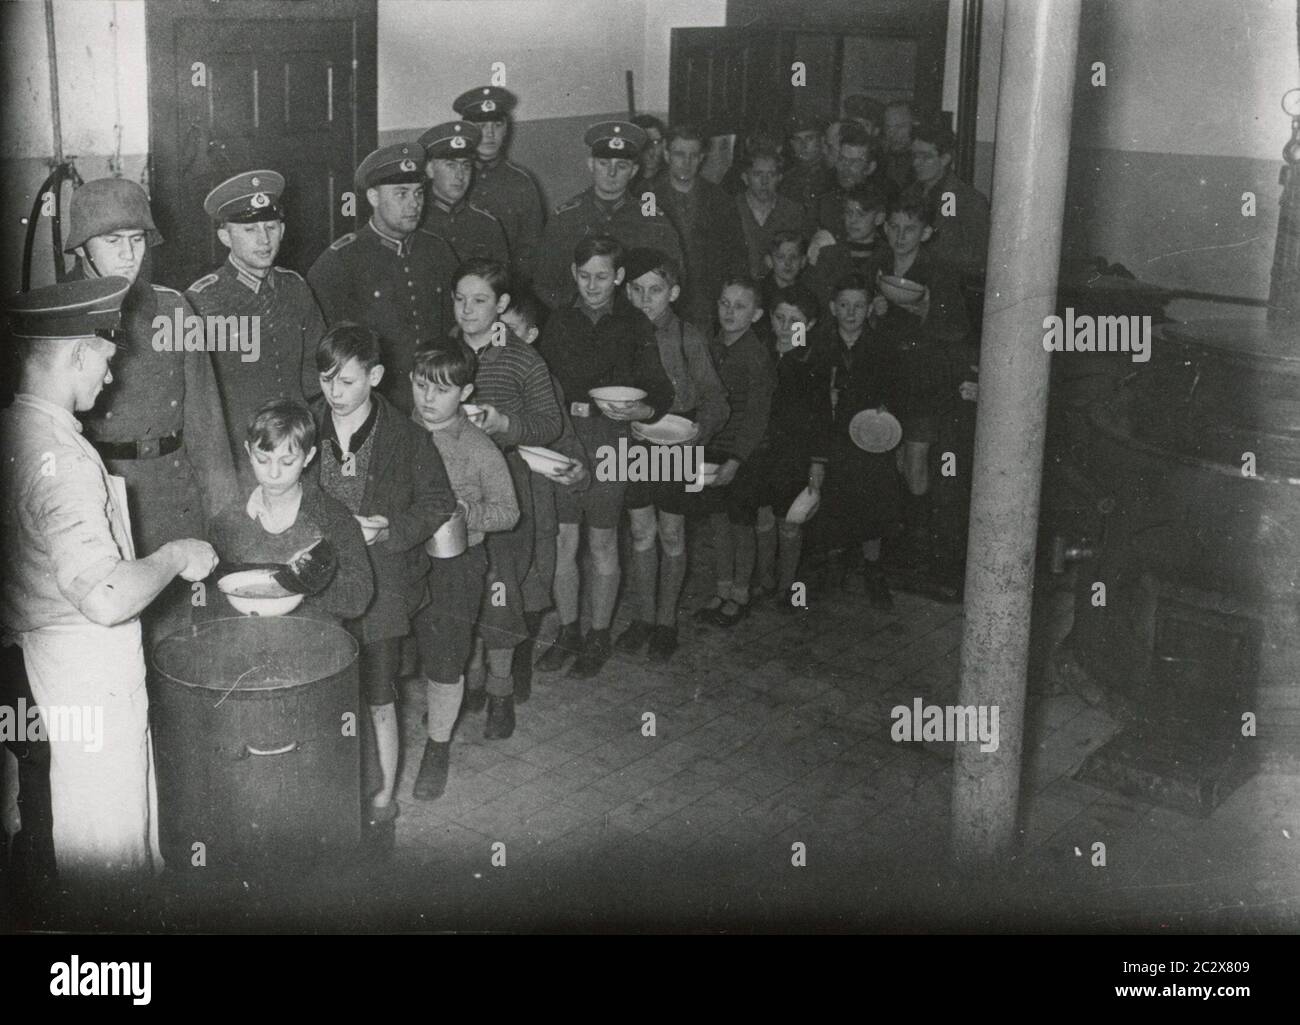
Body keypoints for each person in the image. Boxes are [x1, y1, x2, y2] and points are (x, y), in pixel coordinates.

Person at [1, 277, 219, 880]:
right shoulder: (64, 460)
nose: (112, 374)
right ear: (75, 354)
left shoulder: (17, 431)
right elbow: (103, 595)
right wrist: (175, 556)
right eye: (104, 355)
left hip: (39, 661)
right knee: (111, 848)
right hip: (87, 671)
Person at [63, 177, 236, 641]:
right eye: (112, 241)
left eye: (136, 240)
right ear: (83, 251)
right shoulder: (58, 320)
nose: (127, 254)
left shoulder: (175, 310)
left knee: (184, 639)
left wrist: (223, 518)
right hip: (99, 497)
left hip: (173, 495)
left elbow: (207, 427)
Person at [311, 324, 457, 848]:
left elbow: (438, 502)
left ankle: (381, 806)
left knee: (378, 696)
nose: (334, 392)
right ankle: (329, 800)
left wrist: (391, 529)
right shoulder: (308, 424)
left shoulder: (407, 437)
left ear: (374, 376)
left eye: (347, 381)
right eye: (327, 379)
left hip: (382, 585)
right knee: (324, 694)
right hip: (322, 585)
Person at [536, 235, 673, 678]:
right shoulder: (557, 322)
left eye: (602, 277)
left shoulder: (636, 325)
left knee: (602, 541)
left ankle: (598, 634)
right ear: (573, 275)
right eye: (584, 276)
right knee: (562, 540)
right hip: (565, 435)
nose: (592, 286)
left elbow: (661, 391)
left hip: (612, 438)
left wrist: (642, 410)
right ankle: (569, 630)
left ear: (618, 277)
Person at [448, 259, 570, 726]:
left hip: (505, 487)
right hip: (453, 488)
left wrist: (504, 424)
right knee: (462, 588)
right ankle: (471, 680)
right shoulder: (444, 352)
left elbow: (549, 423)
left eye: (479, 301)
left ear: (501, 305)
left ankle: (501, 692)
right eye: (459, 299)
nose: (466, 310)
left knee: (500, 588)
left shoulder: (521, 356)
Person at [617, 248, 729, 660]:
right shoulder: (623, 331)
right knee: (642, 533)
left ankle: (666, 621)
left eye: (656, 290)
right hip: (635, 442)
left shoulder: (687, 336)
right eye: (637, 289)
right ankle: (645, 617)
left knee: (672, 533)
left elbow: (716, 398)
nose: (646, 299)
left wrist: (699, 435)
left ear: (674, 292)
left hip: (678, 441)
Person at [410, 344, 519, 759]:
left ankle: (437, 750)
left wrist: (467, 511)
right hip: (411, 556)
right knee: (419, 647)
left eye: (441, 390)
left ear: (466, 392)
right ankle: (442, 706)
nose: (428, 399)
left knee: (447, 653)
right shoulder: (402, 434)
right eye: (421, 386)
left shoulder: (478, 448)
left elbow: (509, 513)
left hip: (459, 562)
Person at [185, 170, 326, 468]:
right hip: (239, 454)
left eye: (271, 227)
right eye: (250, 230)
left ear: (283, 230)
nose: (264, 240)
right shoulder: (200, 301)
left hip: (298, 448)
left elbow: (317, 373)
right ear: (225, 236)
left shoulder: (296, 288)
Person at [307, 143, 459, 413]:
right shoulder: (339, 262)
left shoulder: (438, 251)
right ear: (374, 197)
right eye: (401, 194)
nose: (414, 204)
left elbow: (455, 329)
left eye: (418, 193)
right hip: (377, 404)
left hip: (436, 398)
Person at [206, 398, 373, 626]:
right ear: (248, 451)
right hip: (249, 637)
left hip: (313, 638)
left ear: (309, 457)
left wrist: (312, 579)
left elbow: (357, 600)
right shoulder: (228, 522)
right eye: (263, 459)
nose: (274, 473)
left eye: (287, 462)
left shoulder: (332, 518)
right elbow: (213, 597)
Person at [871, 194, 970, 565]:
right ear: (884, 228)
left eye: (909, 229)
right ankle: (894, 535)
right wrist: (874, 310)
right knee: (891, 454)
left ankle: (919, 540)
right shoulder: (878, 266)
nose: (900, 236)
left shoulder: (938, 273)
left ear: (926, 232)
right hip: (887, 375)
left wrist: (927, 310)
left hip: (925, 379)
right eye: (894, 227)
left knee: (916, 457)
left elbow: (958, 329)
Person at [814, 273, 902, 610]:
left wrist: (886, 407)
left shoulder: (882, 347)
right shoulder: (820, 345)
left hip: (869, 438)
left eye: (859, 306)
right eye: (845, 306)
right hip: (832, 437)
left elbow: (896, 391)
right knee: (832, 495)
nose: (851, 313)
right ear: (833, 308)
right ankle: (830, 562)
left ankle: (873, 567)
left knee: (875, 499)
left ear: (869, 310)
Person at [693, 277, 775, 627]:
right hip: (712, 447)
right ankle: (721, 588)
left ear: (756, 315)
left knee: (742, 524)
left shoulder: (756, 355)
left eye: (739, 306)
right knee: (717, 521)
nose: (729, 311)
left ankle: (740, 592)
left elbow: (757, 417)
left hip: (743, 454)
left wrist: (736, 459)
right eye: (725, 303)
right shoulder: (711, 347)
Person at [533, 121, 684, 310]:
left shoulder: (653, 220)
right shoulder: (565, 218)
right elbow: (544, 284)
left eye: (621, 165)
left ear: (634, 171)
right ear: (591, 164)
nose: (611, 173)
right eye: (604, 164)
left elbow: (671, 280)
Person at [751, 285, 831, 610]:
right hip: (761, 450)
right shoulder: (761, 350)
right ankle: (765, 578)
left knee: (791, 520)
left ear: (809, 325)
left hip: (795, 453)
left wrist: (817, 461)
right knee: (763, 513)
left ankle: (789, 586)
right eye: (779, 318)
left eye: (794, 321)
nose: (784, 328)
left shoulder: (811, 360)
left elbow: (822, 415)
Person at [648, 123, 749, 330]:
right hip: (660, 301)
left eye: (693, 155)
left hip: (705, 304)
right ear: (667, 155)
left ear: (702, 157)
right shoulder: (649, 197)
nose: (687, 162)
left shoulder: (719, 199)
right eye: (679, 154)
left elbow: (736, 253)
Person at [453, 86, 546, 283]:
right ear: (467, 131)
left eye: (497, 125)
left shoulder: (521, 183)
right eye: (481, 126)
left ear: (506, 129)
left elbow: (531, 250)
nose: (490, 134)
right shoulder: (452, 180)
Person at [418, 120, 510, 265]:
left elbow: (501, 283)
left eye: (466, 166)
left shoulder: (487, 225)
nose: (460, 175)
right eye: (451, 165)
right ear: (430, 170)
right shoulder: (416, 222)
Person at [909, 120, 990, 278]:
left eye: (925, 157)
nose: (916, 163)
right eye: (914, 156)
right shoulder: (910, 193)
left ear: (945, 159)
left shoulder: (965, 199)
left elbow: (978, 257)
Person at [809, 181, 890, 306]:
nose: (852, 220)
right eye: (848, 212)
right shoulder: (828, 255)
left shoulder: (887, 256)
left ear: (879, 218)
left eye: (861, 215)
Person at [736, 149, 808, 280]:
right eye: (758, 174)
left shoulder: (794, 212)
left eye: (771, 174)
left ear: (780, 178)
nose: (765, 181)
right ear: (745, 178)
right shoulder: (730, 209)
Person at [779, 114, 834, 226]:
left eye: (809, 138)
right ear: (791, 144)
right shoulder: (785, 179)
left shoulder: (832, 175)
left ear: (821, 140)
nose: (803, 145)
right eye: (797, 140)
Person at [881, 101, 917, 192]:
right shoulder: (880, 159)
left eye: (900, 127)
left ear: (914, 125)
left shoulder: (922, 161)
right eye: (888, 127)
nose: (892, 134)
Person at [630, 114, 667, 189]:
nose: (651, 152)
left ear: (664, 144)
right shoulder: (624, 182)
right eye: (645, 144)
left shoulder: (671, 180)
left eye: (656, 143)